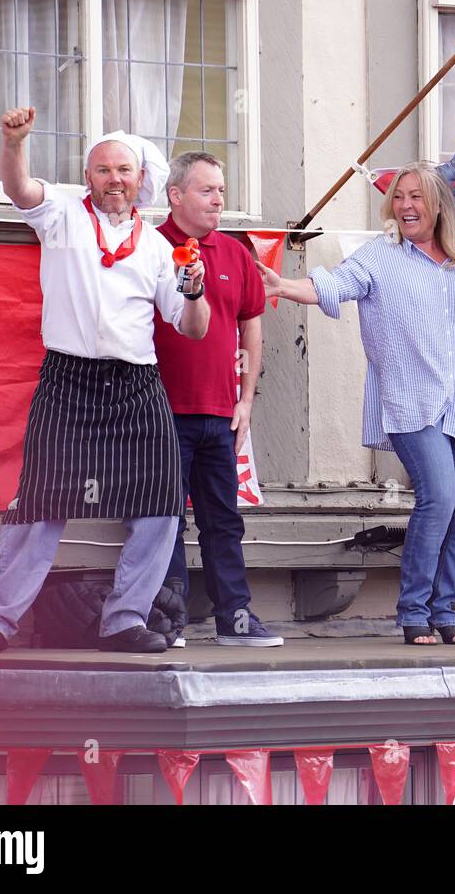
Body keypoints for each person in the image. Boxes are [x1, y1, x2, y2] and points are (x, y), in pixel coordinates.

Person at [0, 108, 211, 655]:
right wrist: (14, 143)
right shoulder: (62, 216)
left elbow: (193, 329)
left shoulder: (157, 248)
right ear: (88, 177)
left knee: (162, 500)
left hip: (136, 381)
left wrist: (194, 293)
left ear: (140, 178)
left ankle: (125, 619)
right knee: (39, 502)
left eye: (123, 169)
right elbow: (20, 188)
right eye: (102, 170)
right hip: (69, 376)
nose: (114, 179)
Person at [257, 163, 455, 645]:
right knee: (440, 500)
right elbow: (332, 285)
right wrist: (284, 286)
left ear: (438, 206)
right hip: (411, 401)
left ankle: (444, 612)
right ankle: (414, 612)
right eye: (399, 197)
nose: (406, 205)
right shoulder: (379, 256)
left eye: (416, 197)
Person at [152, 152, 282, 649]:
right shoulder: (150, 247)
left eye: (222, 191)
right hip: (161, 410)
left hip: (220, 413)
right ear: (176, 195)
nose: (218, 199)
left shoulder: (233, 253)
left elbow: (251, 326)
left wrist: (245, 400)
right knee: (161, 520)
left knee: (223, 519)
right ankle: (169, 620)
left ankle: (236, 617)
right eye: (207, 190)